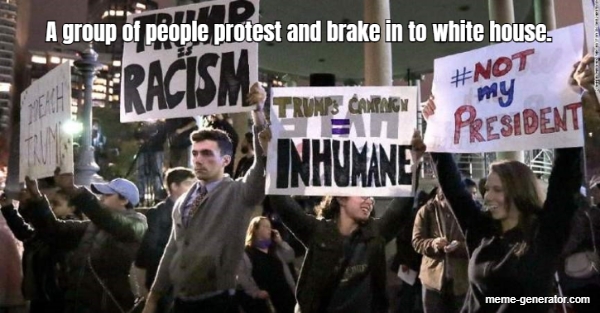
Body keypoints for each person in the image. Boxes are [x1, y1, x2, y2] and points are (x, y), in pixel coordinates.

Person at [420, 94, 583, 312]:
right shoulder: (481, 229)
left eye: (497, 190)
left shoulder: (544, 233)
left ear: (518, 190)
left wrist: (570, 104)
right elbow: (452, 186)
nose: (487, 196)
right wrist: (435, 126)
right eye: (487, 189)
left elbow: (565, 179)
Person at [267, 130, 425, 313]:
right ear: (341, 199)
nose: (369, 200)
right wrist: (269, 157)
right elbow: (282, 204)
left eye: (370, 195)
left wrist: (414, 164)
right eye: (362, 194)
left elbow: (402, 207)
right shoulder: (318, 232)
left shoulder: (376, 233)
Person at [143, 83, 269, 313]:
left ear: (226, 161)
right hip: (180, 302)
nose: (198, 160)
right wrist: (153, 297)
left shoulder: (238, 193)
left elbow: (266, 160)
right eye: (195, 153)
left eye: (207, 153)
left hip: (217, 302)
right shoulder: (182, 201)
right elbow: (172, 248)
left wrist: (259, 113)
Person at [21, 170, 148, 313]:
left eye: (107, 195)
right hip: (80, 304)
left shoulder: (137, 224)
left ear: (124, 200)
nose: (101, 199)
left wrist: (73, 191)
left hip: (108, 306)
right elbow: (55, 230)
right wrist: (36, 199)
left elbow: (111, 221)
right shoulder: (93, 225)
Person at [1, 189, 83, 313]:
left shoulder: (71, 233)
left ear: (72, 208)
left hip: (56, 299)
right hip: (42, 294)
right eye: (50, 203)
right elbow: (29, 235)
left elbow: (46, 234)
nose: (51, 207)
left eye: (56, 204)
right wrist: (8, 209)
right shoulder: (48, 228)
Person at [135, 167, 195, 312]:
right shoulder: (158, 213)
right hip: (165, 286)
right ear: (174, 186)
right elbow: (147, 252)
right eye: (188, 184)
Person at [413, 187, 468, 313]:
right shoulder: (426, 211)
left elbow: (477, 242)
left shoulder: (465, 211)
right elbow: (416, 242)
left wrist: (460, 246)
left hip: (461, 281)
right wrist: (433, 244)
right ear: (440, 198)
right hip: (432, 281)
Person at [237, 216, 296, 313]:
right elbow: (242, 276)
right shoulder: (247, 253)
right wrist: (256, 292)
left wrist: (281, 242)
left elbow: (290, 256)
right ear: (255, 230)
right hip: (267, 300)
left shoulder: (274, 247)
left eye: (270, 226)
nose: (269, 229)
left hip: (286, 294)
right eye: (265, 226)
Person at [134, 120, 168, 204]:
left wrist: (152, 140)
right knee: (141, 173)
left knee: (156, 173)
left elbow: (163, 136)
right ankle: (140, 196)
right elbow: (136, 134)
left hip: (157, 150)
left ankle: (157, 197)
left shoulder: (161, 124)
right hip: (143, 150)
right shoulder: (141, 123)